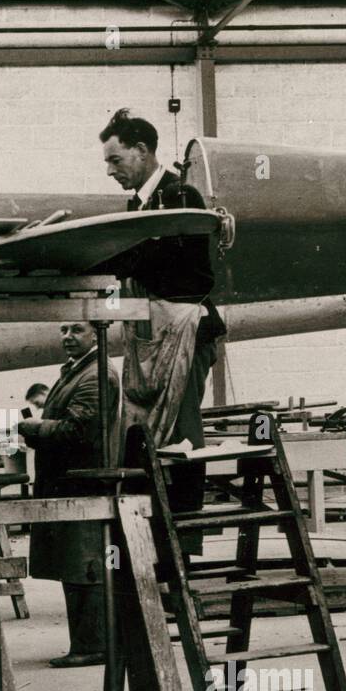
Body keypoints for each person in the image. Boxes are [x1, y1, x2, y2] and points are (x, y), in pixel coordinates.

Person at [99, 108, 223, 524]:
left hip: (186, 332)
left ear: (141, 150)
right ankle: (152, 535)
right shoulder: (139, 206)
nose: (111, 170)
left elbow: (193, 272)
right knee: (149, 434)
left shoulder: (180, 197)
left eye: (115, 160)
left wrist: (120, 257)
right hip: (155, 335)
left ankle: (182, 537)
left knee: (182, 434)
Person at [17, 322, 121, 668]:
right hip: (68, 481)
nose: (67, 336)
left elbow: (80, 430)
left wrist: (33, 427)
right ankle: (88, 642)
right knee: (73, 565)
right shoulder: (77, 371)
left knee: (84, 565)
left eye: (76, 330)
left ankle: (93, 645)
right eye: (63, 330)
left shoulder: (96, 374)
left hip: (82, 482)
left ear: (96, 334)